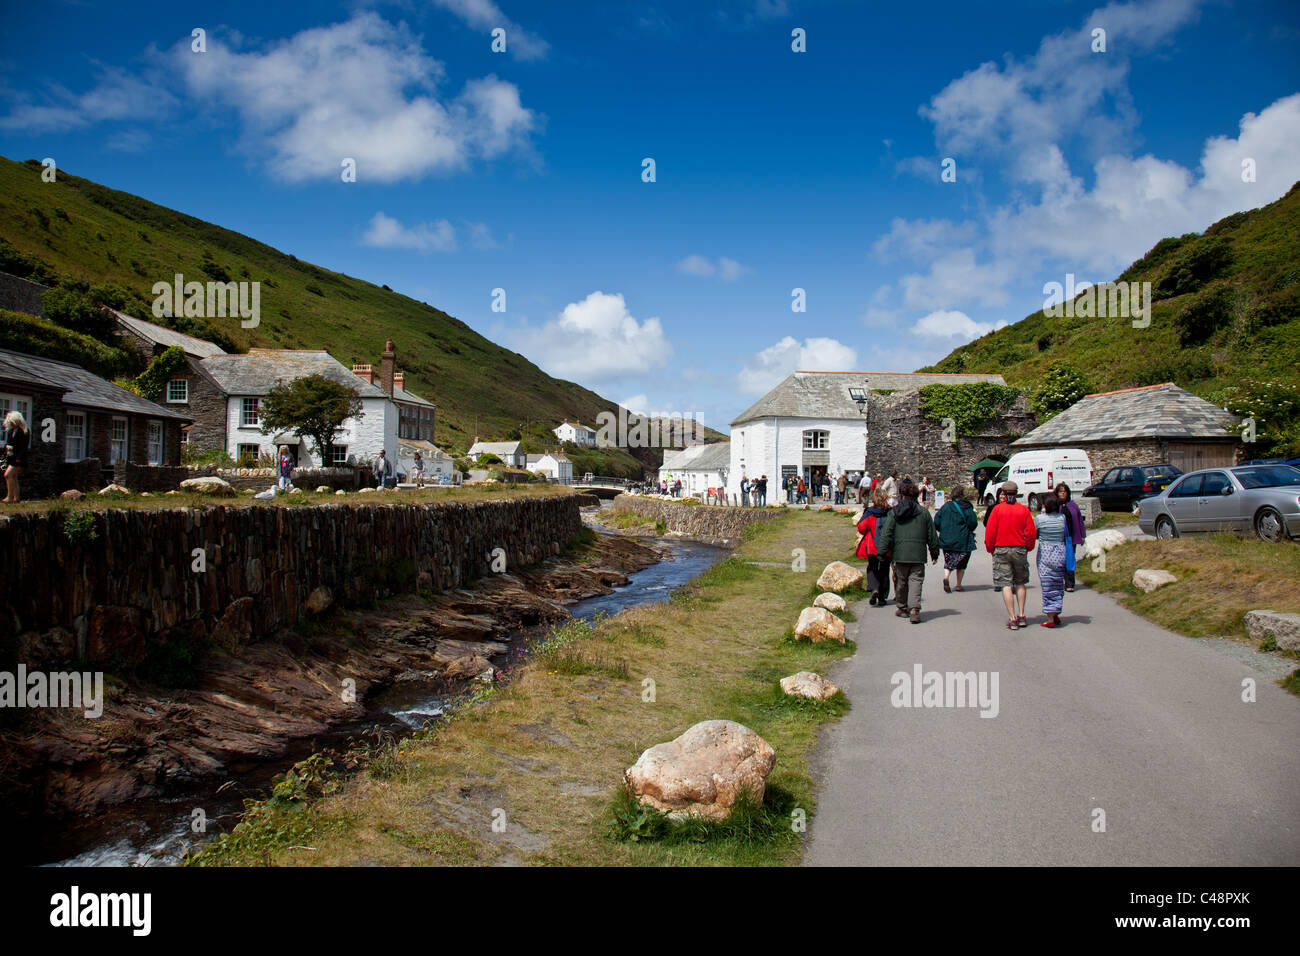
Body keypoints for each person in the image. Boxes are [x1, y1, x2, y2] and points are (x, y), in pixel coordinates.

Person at [877, 479, 941, 624]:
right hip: (918, 554)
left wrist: (881, 552)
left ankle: (902, 607)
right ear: (916, 496)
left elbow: (886, 533)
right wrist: (934, 553)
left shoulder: (894, 513)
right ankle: (914, 609)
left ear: (902, 496)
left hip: (900, 553)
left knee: (901, 581)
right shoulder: (924, 513)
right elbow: (932, 535)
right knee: (916, 581)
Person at [985, 481, 1037, 630]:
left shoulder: (997, 510)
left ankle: (1012, 618)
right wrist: (1029, 547)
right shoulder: (1024, 510)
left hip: (1001, 549)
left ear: (1004, 493)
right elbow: (1031, 532)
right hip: (1019, 548)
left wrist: (990, 548)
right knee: (1020, 582)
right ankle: (1022, 615)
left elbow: (990, 532)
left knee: (1005, 583)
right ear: (1016, 493)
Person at [934, 484, 978, 593]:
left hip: (947, 539)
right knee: (962, 563)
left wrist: (943, 530)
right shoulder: (967, 507)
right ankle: (958, 584)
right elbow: (973, 523)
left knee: (948, 560)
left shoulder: (946, 506)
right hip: (963, 540)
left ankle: (946, 577)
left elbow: (936, 522)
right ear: (963, 495)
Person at [1035, 494, 1069, 627]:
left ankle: (1050, 617)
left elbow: (1035, 533)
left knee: (1047, 583)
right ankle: (1056, 612)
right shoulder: (1062, 518)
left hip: (1045, 552)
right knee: (1058, 582)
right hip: (1060, 551)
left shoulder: (1040, 518)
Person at [857, 486, 894, 607]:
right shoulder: (890, 512)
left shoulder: (870, 512)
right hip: (887, 546)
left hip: (872, 546)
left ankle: (875, 588)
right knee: (884, 570)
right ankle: (882, 597)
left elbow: (861, 527)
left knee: (872, 568)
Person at [1056, 482, 1085, 592]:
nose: (1063, 493)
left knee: (1070, 559)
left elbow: (1080, 521)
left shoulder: (1073, 505)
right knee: (1060, 561)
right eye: (1060, 492)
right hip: (1059, 538)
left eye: (1065, 491)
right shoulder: (1055, 505)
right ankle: (1060, 582)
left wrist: (1083, 535)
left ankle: (1070, 584)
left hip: (1071, 537)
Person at [2, 410, 31, 504]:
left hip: (19, 458)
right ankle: (16, 497)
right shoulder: (11, 431)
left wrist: (19, 458)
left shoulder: (24, 431)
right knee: (14, 477)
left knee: (8, 475)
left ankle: (9, 497)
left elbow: (24, 447)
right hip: (11, 456)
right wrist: (7, 446)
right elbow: (8, 442)